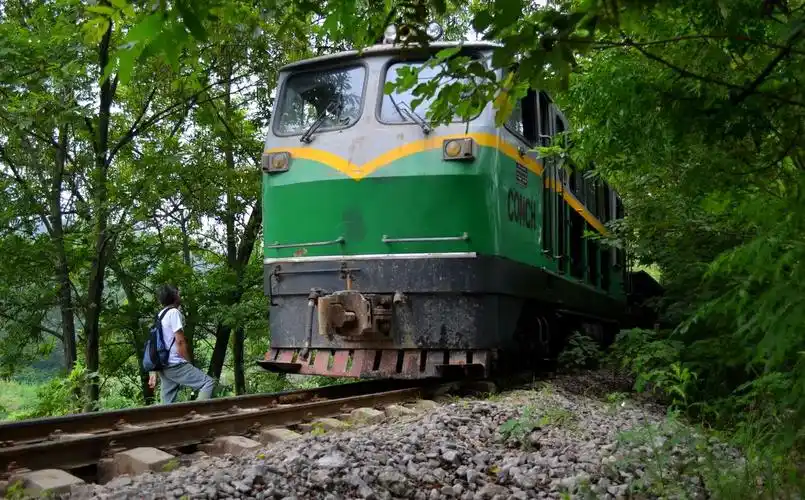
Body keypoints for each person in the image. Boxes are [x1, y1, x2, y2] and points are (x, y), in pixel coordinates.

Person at [148, 284, 216, 404]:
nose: (180, 296)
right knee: (208, 383)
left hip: (163, 365)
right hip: (175, 364)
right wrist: (188, 362)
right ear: (174, 296)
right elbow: (180, 341)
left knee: (168, 402)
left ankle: (167, 421)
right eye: (178, 293)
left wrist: (153, 371)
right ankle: (198, 415)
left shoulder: (161, 314)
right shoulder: (174, 312)